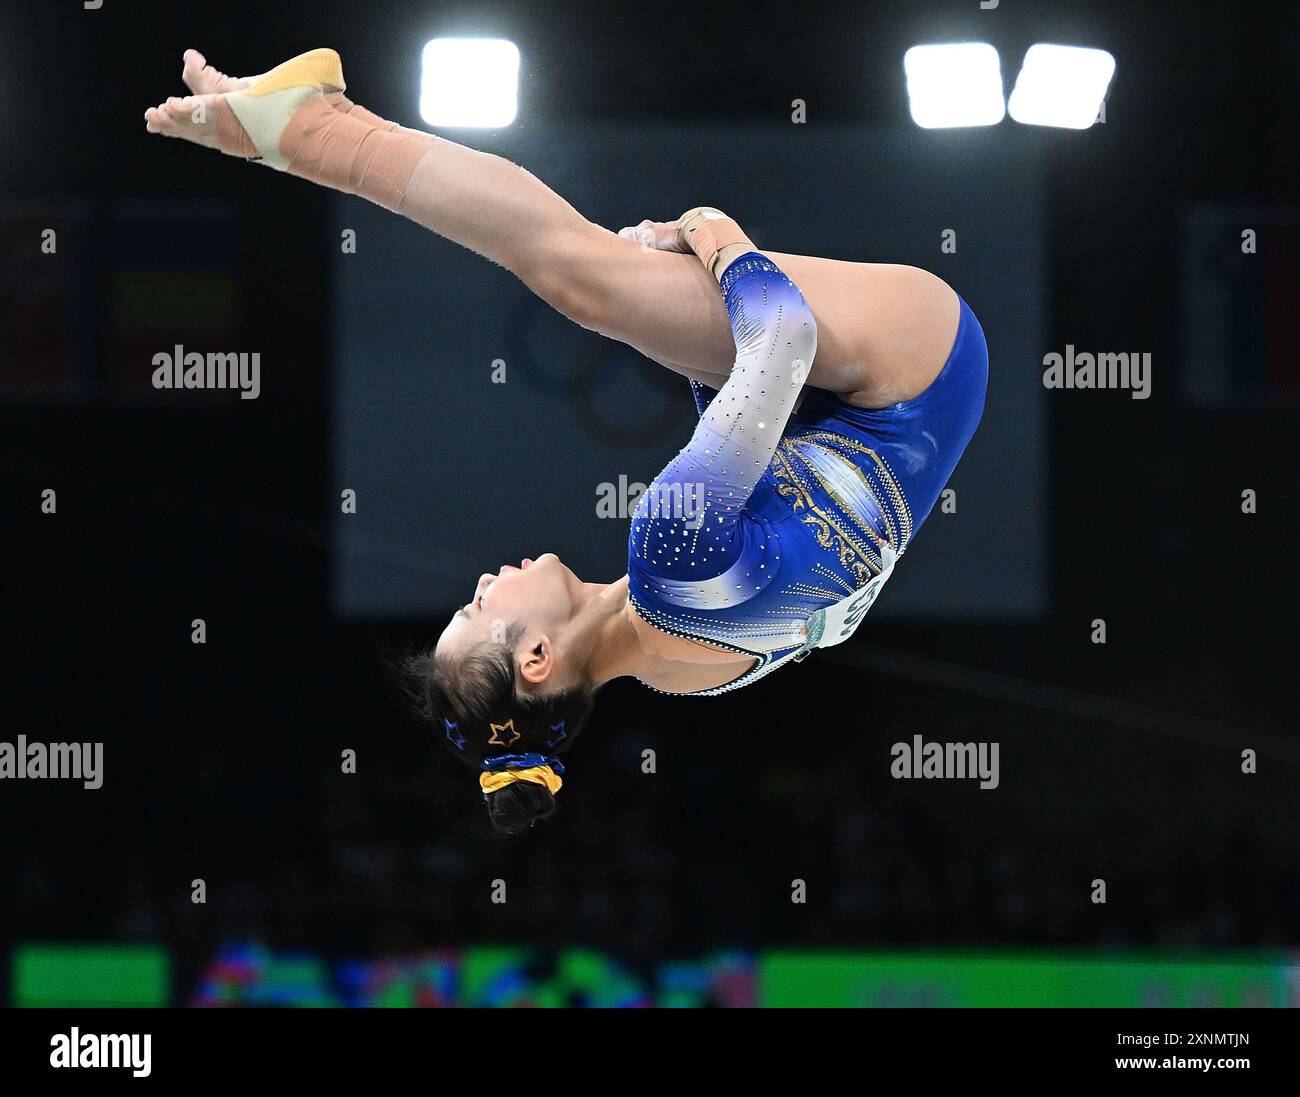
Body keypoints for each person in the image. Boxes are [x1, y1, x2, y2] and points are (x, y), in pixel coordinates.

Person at [146, 48, 988, 832]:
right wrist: (714, 233)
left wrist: (685, 331)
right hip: (914, 369)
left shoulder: (672, 660)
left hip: (861, 418)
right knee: (584, 280)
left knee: (599, 287)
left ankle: (311, 124)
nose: (480, 581)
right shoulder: (667, 560)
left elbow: (772, 468)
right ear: (539, 656)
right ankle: (311, 130)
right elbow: (785, 339)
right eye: (476, 610)